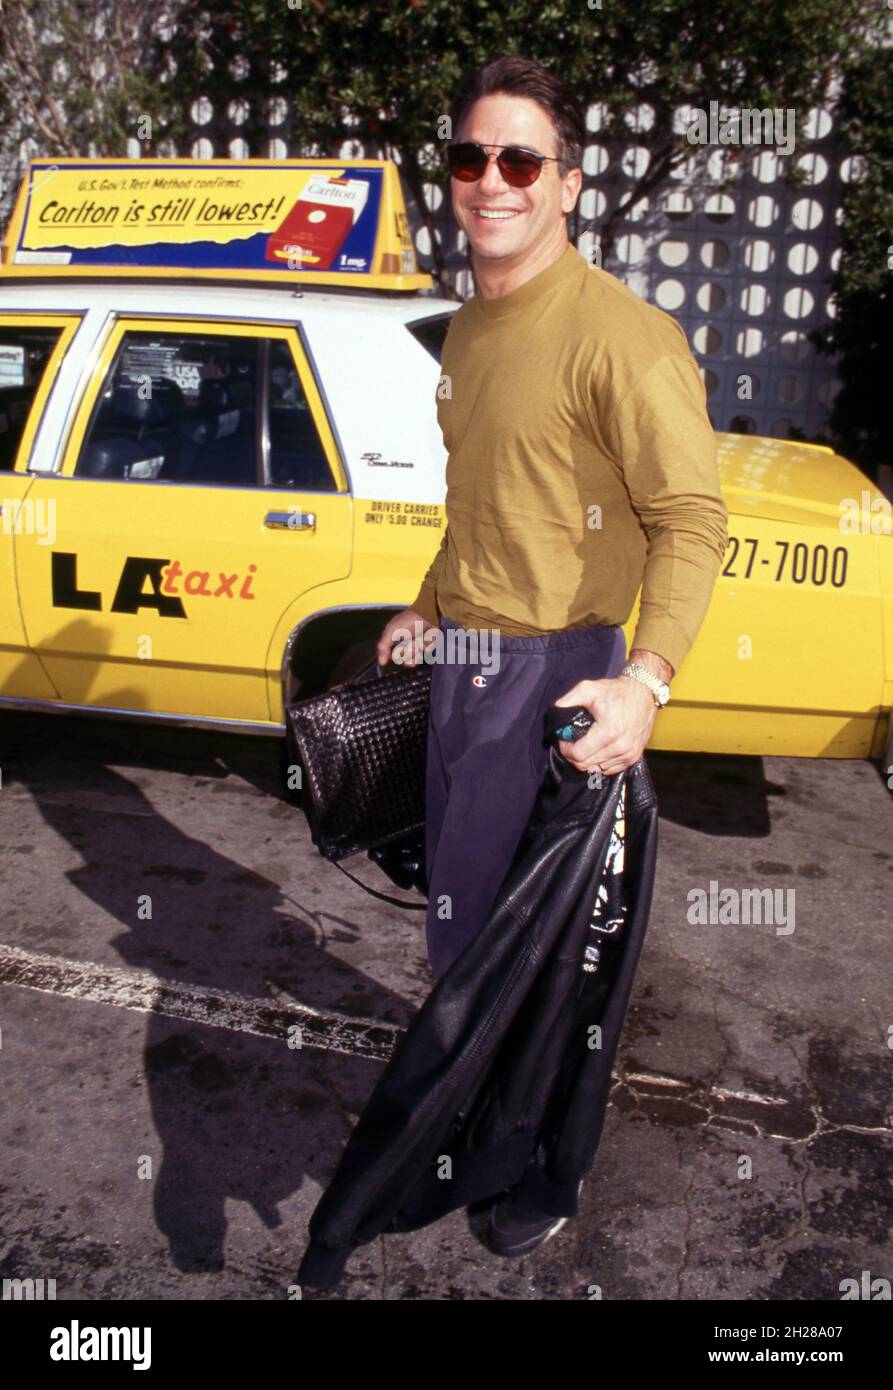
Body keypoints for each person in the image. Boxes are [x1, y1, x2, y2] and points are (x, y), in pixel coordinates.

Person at [376, 55, 728, 1256]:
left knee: (562, 960)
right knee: (465, 930)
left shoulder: (623, 339)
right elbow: (477, 496)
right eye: (471, 157)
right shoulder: (469, 327)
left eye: (520, 159)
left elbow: (692, 520)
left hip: (563, 679)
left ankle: (548, 1169)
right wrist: (427, 604)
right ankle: (473, 1112)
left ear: (567, 184)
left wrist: (645, 679)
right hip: (466, 674)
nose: (491, 180)